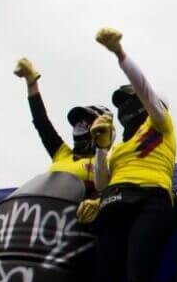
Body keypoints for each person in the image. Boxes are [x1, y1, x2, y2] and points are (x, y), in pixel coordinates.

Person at [74, 28, 177, 282]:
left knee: (139, 280)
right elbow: (103, 184)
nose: (127, 109)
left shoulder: (160, 125)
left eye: (132, 102)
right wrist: (102, 148)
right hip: (115, 205)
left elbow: (146, 90)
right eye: (122, 106)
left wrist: (120, 55)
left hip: (150, 201)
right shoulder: (120, 146)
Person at [13, 57, 109, 196]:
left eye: (86, 121)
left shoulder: (107, 164)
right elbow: (41, 122)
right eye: (78, 121)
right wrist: (31, 82)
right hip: (47, 212)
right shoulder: (62, 153)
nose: (80, 125)